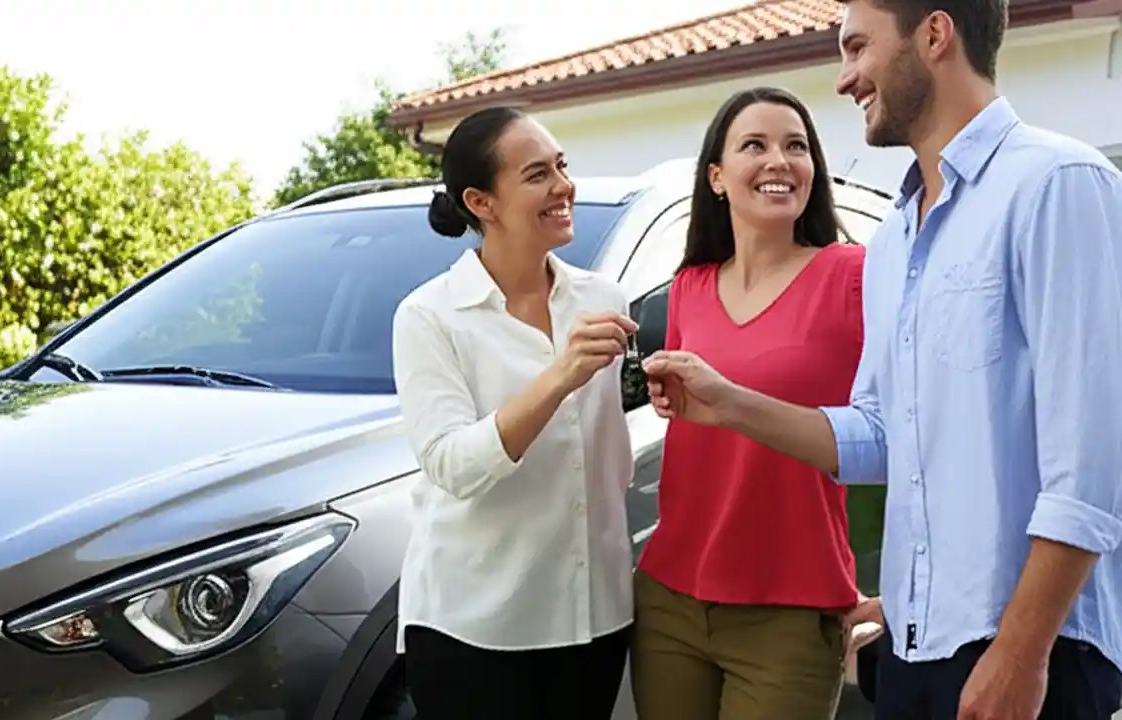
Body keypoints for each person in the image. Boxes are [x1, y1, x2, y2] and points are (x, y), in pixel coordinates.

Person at [642, 1, 1122, 718]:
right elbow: (880, 439)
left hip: (1030, 655)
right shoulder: (897, 238)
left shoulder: (1057, 184)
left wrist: (1020, 653)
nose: (844, 79)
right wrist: (729, 402)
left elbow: (1090, 466)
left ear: (934, 34)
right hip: (914, 646)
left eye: (857, 48)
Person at [389, 105, 638, 720]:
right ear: (481, 202)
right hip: (474, 630)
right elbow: (452, 466)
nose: (562, 186)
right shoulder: (429, 316)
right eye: (536, 175)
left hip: (594, 617)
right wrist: (559, 377)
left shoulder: (603, 299)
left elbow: (610, 457)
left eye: (561, 165)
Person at [628, 86, 866, 720]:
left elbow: (903, 429)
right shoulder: (688, 286)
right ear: (716, 176)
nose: (778, 161)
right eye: (754, 145)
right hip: (671, 597)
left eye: (796, 146)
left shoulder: (854, 275)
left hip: (790, 606)